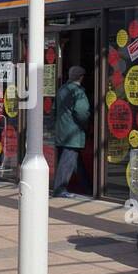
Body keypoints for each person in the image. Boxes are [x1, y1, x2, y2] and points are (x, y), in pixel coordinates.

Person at [53, 65, 92, 198]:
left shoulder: (61, 90)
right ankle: (59, 189)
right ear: (81, 77)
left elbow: (54, 110)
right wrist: (86, 125)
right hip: (73, 133)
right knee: (68, 161)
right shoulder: (78, 92)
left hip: (61, 131)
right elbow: (82, 112)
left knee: (74, 162)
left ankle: (88, 188)